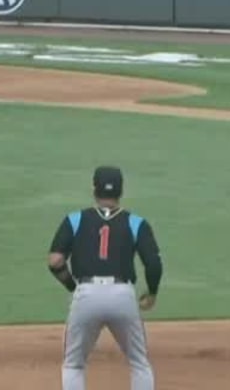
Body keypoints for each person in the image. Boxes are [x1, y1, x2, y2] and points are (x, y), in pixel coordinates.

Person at [47, 165, 162, 390]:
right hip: (122, 294)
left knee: (73, 365)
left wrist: (72, 286)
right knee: (139, 363)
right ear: (121, 190)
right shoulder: (136, 222)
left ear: (94, 189)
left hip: (87, 293)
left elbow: (55, 261)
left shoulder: (75, 219)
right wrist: (152, 293)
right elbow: (153, 264)